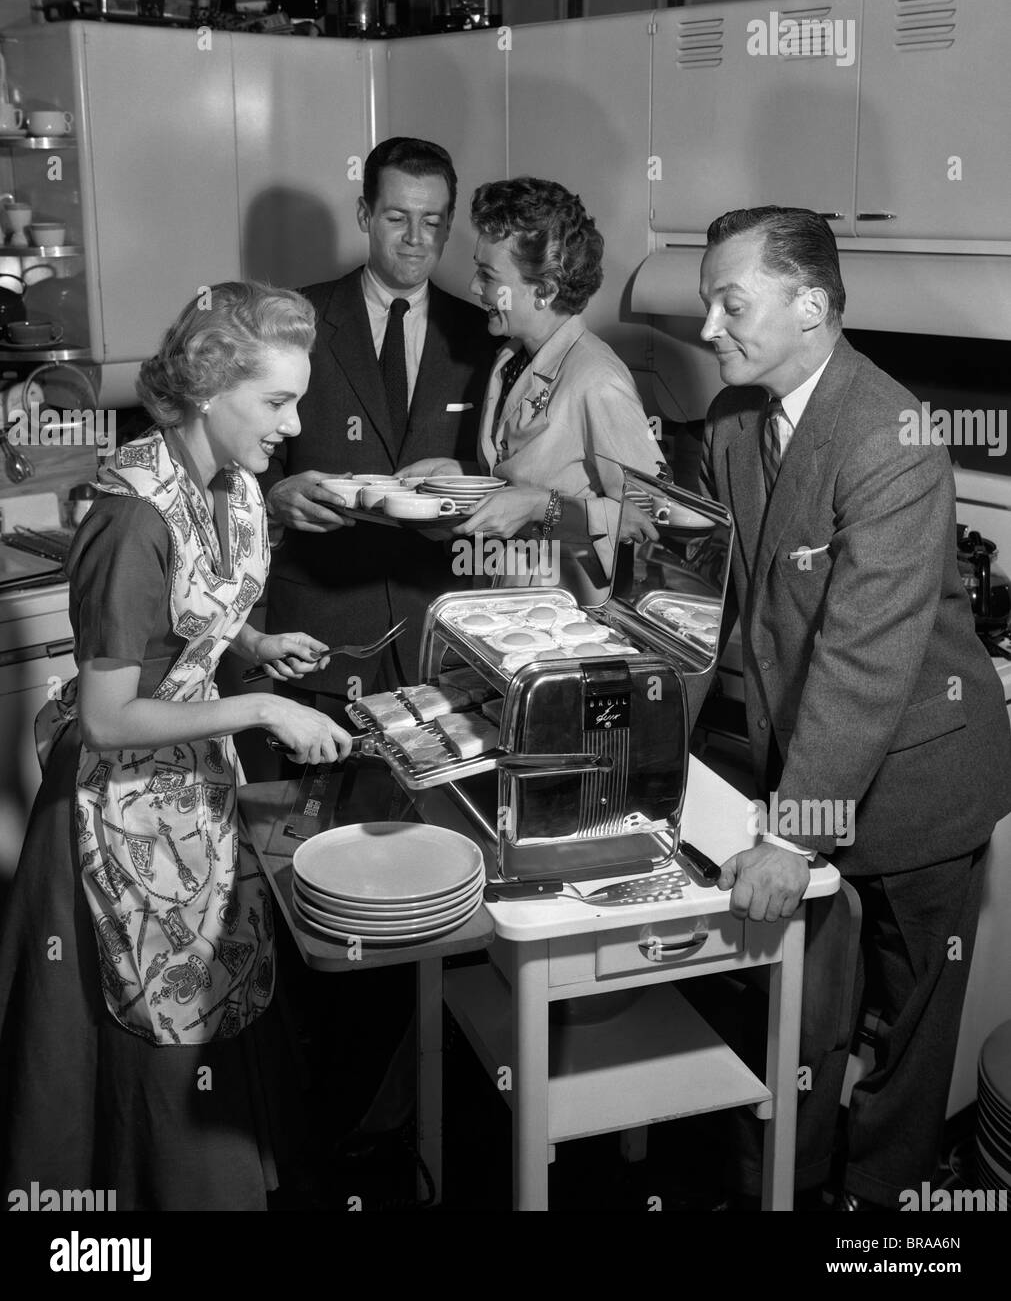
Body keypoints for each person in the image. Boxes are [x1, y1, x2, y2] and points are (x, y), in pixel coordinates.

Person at [0, 281, 352, 1211]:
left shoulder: (224, 482)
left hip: (187, 789)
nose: (294, 422)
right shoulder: (129, 519)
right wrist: (261, 711)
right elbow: (111, 717)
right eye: (276, 401)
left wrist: (253, 647)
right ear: (206, 390)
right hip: (111, 810)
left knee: (208, 989)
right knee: (149, 1017)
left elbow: (196, 602)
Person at [698, 206, 1011, 1209]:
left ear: (813, 306)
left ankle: (879, 1212)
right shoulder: (731, 421)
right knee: (807, 1014)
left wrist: (791, 834)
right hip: (810, 766)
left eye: (729, 304)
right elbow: (734, 601)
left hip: (918, 781)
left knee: (904, 1040)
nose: (709, 328)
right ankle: (786, 1184)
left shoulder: (891, 439)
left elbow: (864, 660)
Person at [261, 136, 498, 714]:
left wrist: (464, 482)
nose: (416, 239)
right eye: (396, 217)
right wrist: (272, 495)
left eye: (432, 221)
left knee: (441, 805)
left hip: (446, 630)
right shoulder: (296, 320)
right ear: (365, 215)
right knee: (313, 798)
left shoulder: (486, 335)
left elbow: (508, 465)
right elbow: (237, 458)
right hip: (320, 631)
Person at [406, 176, 665, 604]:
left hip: (566, 619)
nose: (474, 287)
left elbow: (654, 517)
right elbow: (527, 476)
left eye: (488, 276)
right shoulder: (511, 358)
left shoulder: (597, 381)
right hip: (505, 600)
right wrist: (463, 475)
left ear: (543, 291)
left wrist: (542, 509)